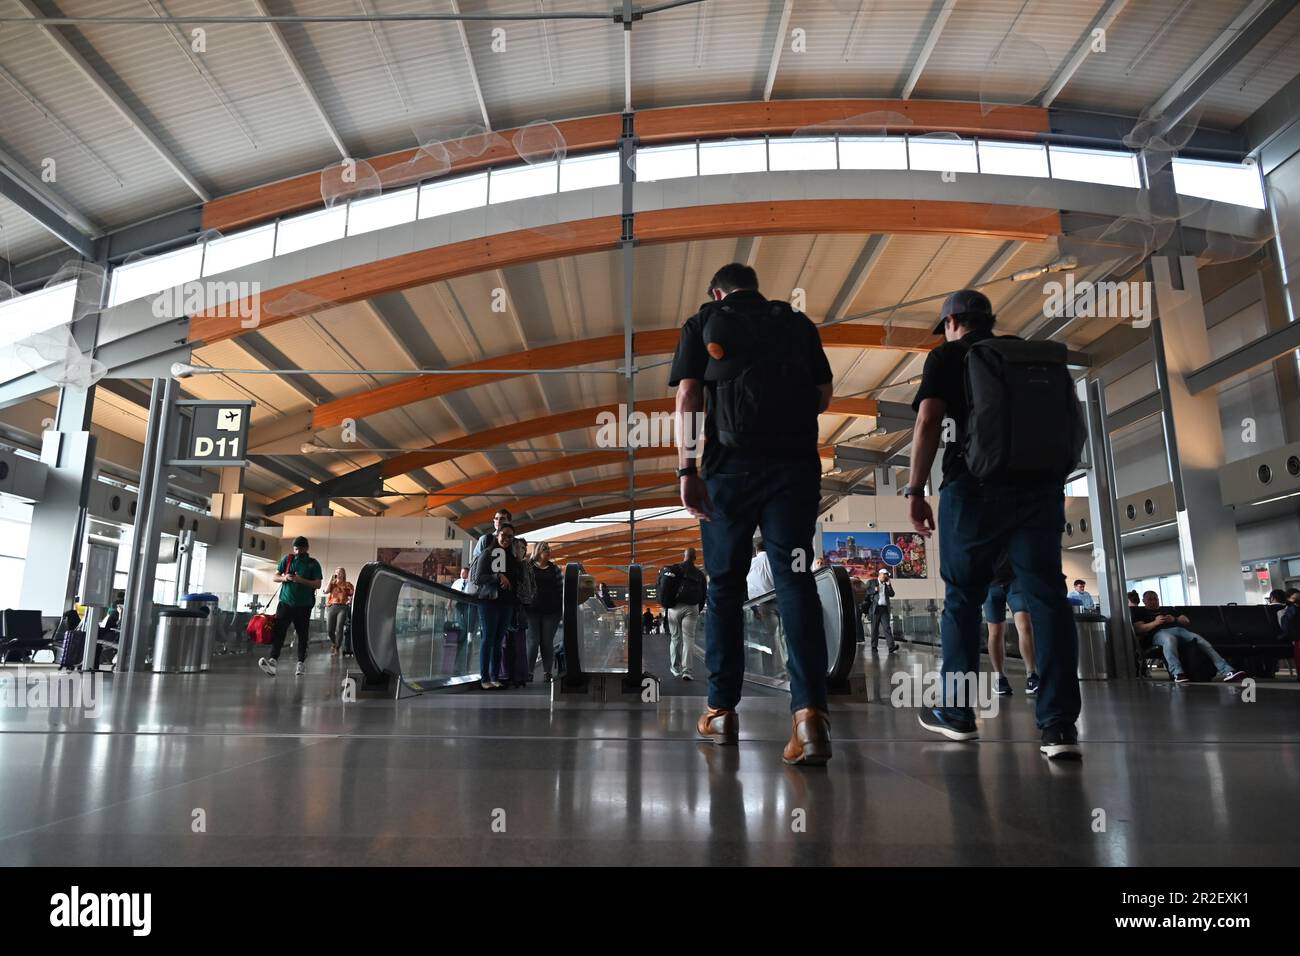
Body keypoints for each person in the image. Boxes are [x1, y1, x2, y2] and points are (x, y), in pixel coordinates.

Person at [906, 289, 1082, 759]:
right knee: (1048, 599)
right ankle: (1058, 725)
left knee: (963, 599)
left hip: (974, 488)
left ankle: (958, 713)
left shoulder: (947, 356)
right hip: (1041, 488)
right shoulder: (1025, 354)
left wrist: (915, 489)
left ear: (952, 322)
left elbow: (927, 422)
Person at [672, 262, 834, 766]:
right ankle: (809, 716)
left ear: (717, 291)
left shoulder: (703, 322)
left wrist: (687, 469)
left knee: (723, 587)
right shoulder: (797, 324)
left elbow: (688, 396)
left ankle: (721, 711)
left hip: (726, 473)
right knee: (795, 580)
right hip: (793, 471)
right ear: (756, 288)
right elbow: (824, 396)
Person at [1131, 591, 1245, 684]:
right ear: (1144, 601)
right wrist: (1155, 623)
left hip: (1179, 630)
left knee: (1200, 640)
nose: (1153, 601)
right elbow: (1139, 629)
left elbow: (1186, 621)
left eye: (1155, 598)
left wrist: (1174, 619)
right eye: (1150, 599)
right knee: (1170, 640)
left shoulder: (1168, 610)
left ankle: (1227, 671)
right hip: (1159, 633)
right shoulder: (1141, 612)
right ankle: (1178, 673)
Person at [259, 536, 323, 678]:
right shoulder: (288, 560)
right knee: (279, 632)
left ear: (306, 548)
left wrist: (301, 580)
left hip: (304, 605)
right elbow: (275, 577)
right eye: (295, 548)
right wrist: (285, 578)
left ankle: (301, 662)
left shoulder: (313, 564)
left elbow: (318, 584)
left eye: (300, 548)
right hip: (285, 603)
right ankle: (273, 661)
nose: (297, 551)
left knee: (302, 635)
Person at [474, 522, 522, 689]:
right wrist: (497, 576)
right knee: (488, 638)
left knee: (498, 640)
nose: (506, 539)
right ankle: (484, 678)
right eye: (504, 535)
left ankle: (495, 676)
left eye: (510, 537)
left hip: (506, 603)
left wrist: (519, 559)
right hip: (489, 601)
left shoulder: (511, 558)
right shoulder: (487, 554)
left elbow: (518, 581)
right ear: (497, 535)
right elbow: (478, 578)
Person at [984, 555, 1039, 697]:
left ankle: (1032, 675)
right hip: (989, 584)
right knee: (995, 631)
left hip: (1015, 581)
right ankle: (999, 677)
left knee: (1025, 625)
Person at [660, 547, 707, 681]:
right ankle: (687, 671)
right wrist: (698, 609)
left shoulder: (675, 569)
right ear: (695, 558)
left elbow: (666, 587)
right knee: (689, 639)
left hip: (674, 607)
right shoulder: (699, 574)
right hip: (692, 608)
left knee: (676, 638)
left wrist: (667, 604)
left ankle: (675, 668)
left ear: (684, 556)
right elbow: (703, 595)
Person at [526, 541, 563, 682]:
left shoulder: (555, 569)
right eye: (544, 549)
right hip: (532, 610)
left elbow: (561, 590)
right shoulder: (529, 568)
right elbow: (524, 587)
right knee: (533, 641)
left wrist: (562, 610)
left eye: (548, 549)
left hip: (552, 611)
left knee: (547, 641)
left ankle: (547, 672)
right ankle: (529, 672)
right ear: (538, 552)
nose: (548, 551)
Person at [865, 568, 897, 653]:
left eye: (887, 575)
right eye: (885, 575)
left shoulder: (887, 584)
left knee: (887, 628)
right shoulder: (871, 582)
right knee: (875, 628)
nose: (886, 576)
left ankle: (891, 647)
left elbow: (892, 594)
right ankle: (874, 646)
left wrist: (889, 585)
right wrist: (874, 590)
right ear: (880, 574)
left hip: (885, 609)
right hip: (875, 608)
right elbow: (866, 593)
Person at [325, 567, 353, 657]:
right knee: (329, 630)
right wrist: (330, 579)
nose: (338, 573)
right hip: (331, 606)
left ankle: (337, 648)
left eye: (340, 572)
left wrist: (350, 601)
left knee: (339, 627)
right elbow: (326, 591)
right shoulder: (332, 584)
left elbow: (352, 594)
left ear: (343, 574)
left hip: (342, 607)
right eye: (336, 572)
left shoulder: (348, 584)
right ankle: (334, 643)